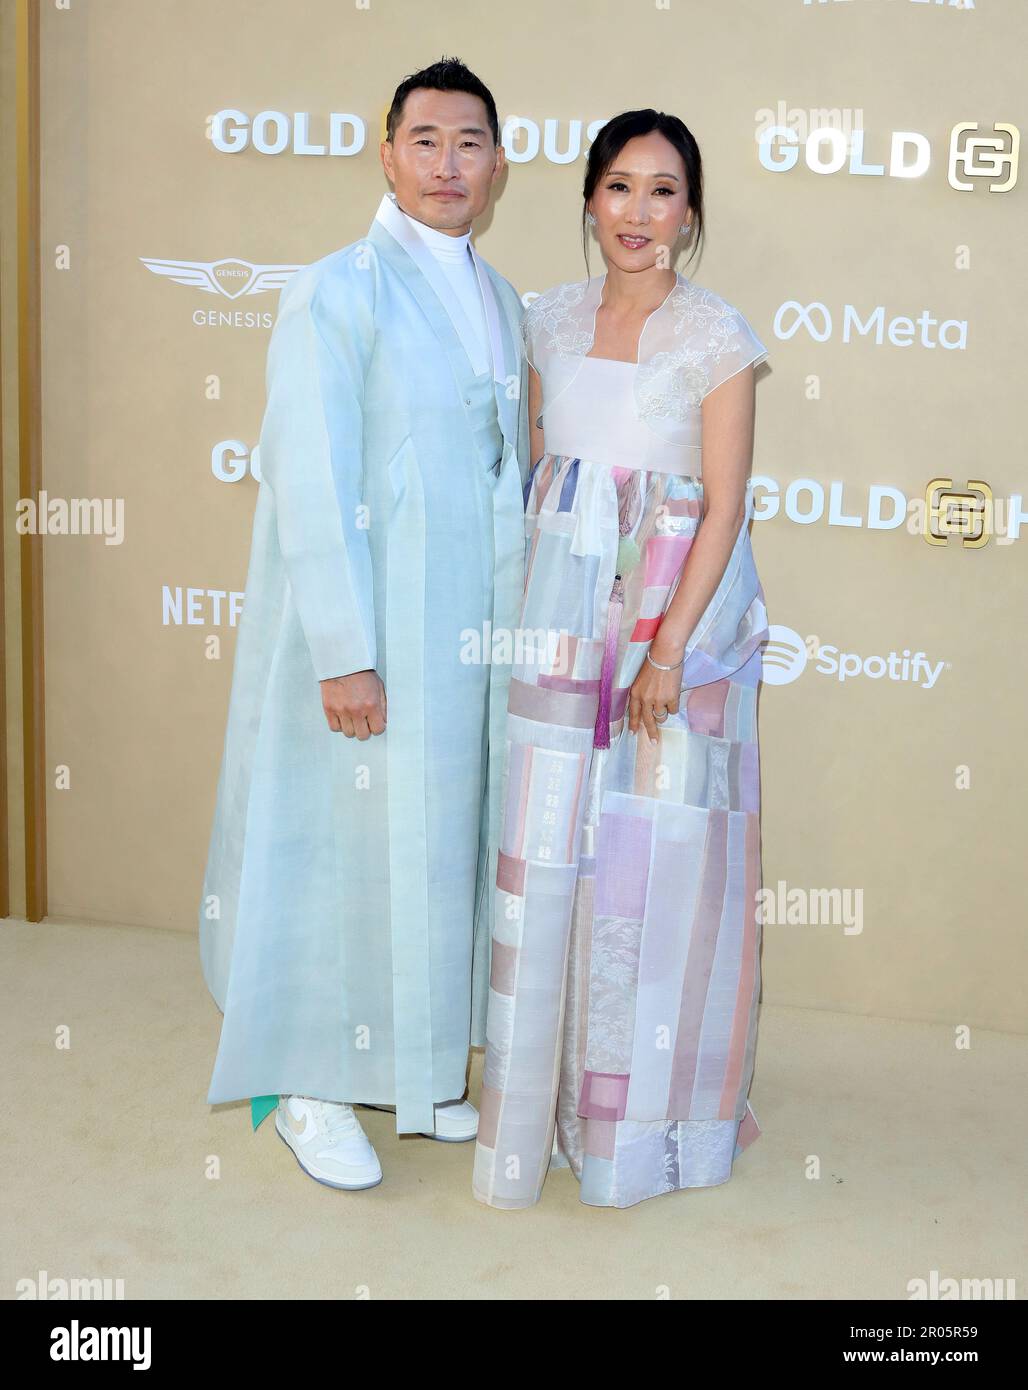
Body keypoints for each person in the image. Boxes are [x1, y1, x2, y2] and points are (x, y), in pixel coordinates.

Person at [199, 57, 528, 1190]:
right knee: (332, 850)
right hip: (370, 638)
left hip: (465, 641)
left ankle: (417, 1064)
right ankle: (304, 1083)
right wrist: (346, 654)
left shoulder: (495, 297)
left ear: (496, 166)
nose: (448, 163)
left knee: (433, 847)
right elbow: (304, 471)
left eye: (470, 142)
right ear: (387, 152)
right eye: (426, 139)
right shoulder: (335, 288)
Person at [472, 109, 770, 1210]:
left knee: (660, 864)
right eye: (619, 188)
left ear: (689, 210)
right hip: (559, 618)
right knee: (551, 852)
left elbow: (725, 502)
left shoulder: (715, 334)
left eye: (663, 191)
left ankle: (640, 1128)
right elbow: (541, 474)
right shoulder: (541, 318)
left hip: (672, 627)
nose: (639, 213)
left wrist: (665, 652)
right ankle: (539, 1110)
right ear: (588, 199)